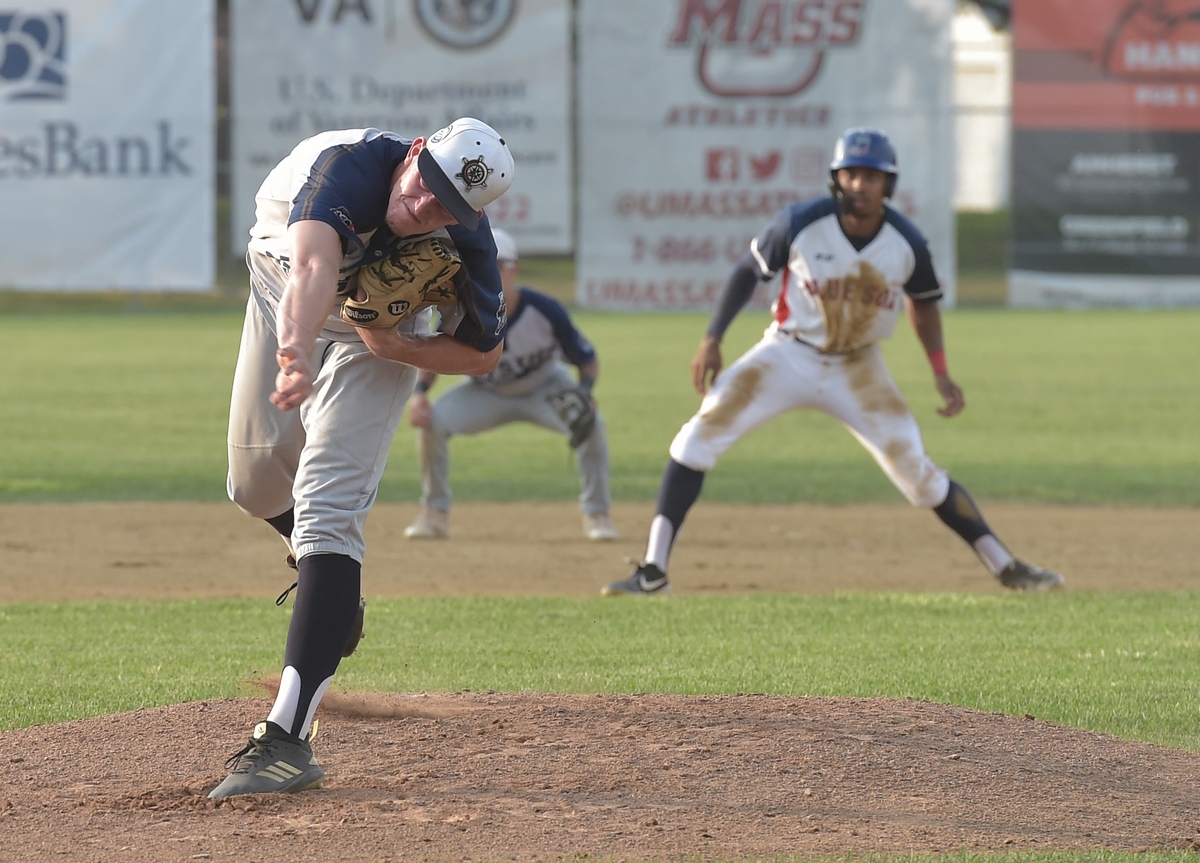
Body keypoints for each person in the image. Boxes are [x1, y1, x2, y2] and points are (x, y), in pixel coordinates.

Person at [602, 128, 1064, 597]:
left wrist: (940, 372)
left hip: (859, 369)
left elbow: (922, 305)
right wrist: (712, 338)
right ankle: (654, 571)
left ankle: (1007, 567)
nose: (859, 185)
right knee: (695, 440)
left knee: (920, 476)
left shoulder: (906, 243)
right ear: (835, 179)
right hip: (786, 353)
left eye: (871, 176)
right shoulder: (801, 222)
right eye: (850, 174)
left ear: (889, 184)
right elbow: (747, 271)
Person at [211, 119, 514, 798]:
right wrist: (292, 354)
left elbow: (485, 352)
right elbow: (314, 268)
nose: (426, 206)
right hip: (282, 288)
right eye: (425, 184)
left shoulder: (466, 239)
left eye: (447, 207)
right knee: (254, 479)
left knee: (326, 509)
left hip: (365, 337)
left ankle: (285, 740)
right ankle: (332, 591)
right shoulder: (347, 168)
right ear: (413, 154)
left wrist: (399, 347)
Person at [404, 227, 619, 542]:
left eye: (499, 264)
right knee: (431, 421)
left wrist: (584, 392)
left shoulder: (544, 309)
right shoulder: (462, 310)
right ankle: (434, 514)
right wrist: (420, 395)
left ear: (514, 269)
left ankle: (597, 514)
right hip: (485, 392)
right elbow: (435, 355)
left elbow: (586, 358)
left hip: (545, 387)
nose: (491, 272)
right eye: (483, 264)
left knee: (592, 425)